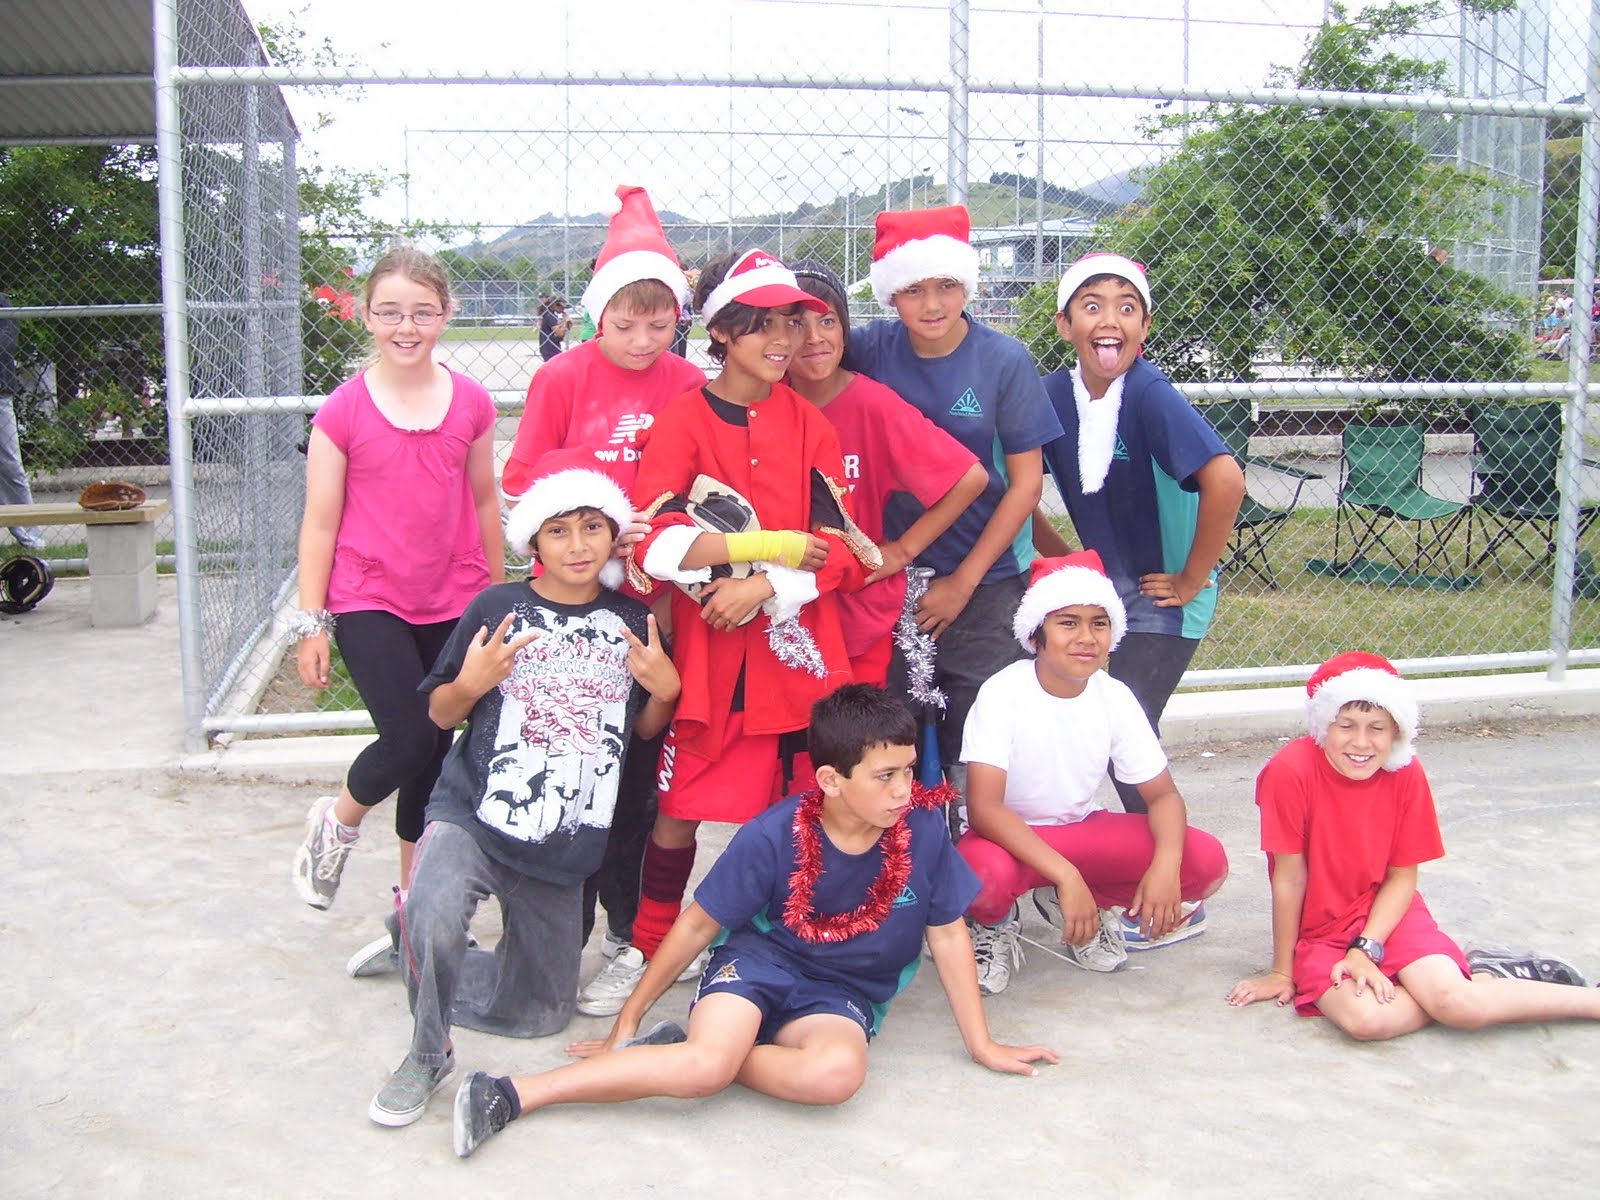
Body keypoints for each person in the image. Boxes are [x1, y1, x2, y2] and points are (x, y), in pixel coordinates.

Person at [449, 684, 1059, 1159]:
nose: (906, 790)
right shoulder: (775, 834)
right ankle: (510, 1093)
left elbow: (948, 932)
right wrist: (630, 1015)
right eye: (886, 776)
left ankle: (697, 1050)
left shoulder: (923, 830)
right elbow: (695, 926)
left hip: (844, 992)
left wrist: (981, 1043)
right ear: (830, 781)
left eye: (907, 771)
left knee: (836, 1076)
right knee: (703, 1071)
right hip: (761, 965)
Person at [577, 248, 879, 1017]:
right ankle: (648, 945)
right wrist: (762, 550)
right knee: (678, 811)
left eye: (794, 321)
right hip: (712, 659)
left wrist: (764, 586)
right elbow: (656, 545)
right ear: (725, 332)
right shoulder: (683, 421)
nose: (785, 339)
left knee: (810, 808)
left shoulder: (808, 423)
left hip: (799, 656)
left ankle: (792, 944)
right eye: (765, 325)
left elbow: (844, 546)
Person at [366, 461, 682, 1127]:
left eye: (592, 527)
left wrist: (667, 691)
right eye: (558, 531)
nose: (576, 545)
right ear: (532, 545)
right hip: (477, 810)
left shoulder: (633, 618)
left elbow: (642, 734)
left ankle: (414, 949)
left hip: (567, 838)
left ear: (613, 536)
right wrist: (473, 681)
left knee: (540, 1015)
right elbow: (440, 715)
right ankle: (426, 1050)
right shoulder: (496, 608)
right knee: (436, 904)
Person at [498, 184, 707, 998]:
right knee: (565, 750)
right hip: (575, 591)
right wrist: (598, 512)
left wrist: (656, 527)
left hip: (652, 597)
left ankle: (630, 928)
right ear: (594, 316)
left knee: (640, 759)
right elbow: (522, 476)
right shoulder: (563, 379)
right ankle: (551, 919)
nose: (643, 339)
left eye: (660, 325)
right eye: (625, 324)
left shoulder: (688, 382)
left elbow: (702, 484)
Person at [1226, 652, 1600, 1039]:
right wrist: (1282, 971)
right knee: (1368, 1021)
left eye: (1377, 728)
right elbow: (1289, 878)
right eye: (1346, 726)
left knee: (1459, 1006)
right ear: (1323, 726)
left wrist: (1366, 948)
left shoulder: (1405, 772)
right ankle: (1484, 981)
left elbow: (1402, 878)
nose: (1360, 742)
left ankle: (1586, 1001)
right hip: (1319, 931)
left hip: (1386, 912)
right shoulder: (1290, 771)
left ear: (1397, 733)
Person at [290, 245, 504, 921]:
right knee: (409, 738)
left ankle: (413, 902)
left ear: (447, 314)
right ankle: (339, 822)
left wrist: (497, 600)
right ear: (365, 316)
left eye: (421, 312)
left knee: (437, 753)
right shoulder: (344, 412)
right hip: (369, 595)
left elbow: (484, 502)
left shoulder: (469, 402)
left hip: (454, 594)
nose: (405, 327)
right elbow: (320, 523)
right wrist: (312, 622)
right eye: (389, 313)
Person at [845, 206, 1063, 794]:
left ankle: (988, 870)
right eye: (914, 289)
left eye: (946, 285)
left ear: (967, 285)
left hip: (984, 578)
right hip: (887, 574)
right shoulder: (869, 350)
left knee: (983, 739)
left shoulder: (1003, 360)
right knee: (888, 736)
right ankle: (899, 869)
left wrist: (964, 583)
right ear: (891, 295)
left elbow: (1025, 485)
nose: (933, 303)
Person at [957, 550, 1229, 994]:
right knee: (982, 880)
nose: (1086, 637)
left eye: (1098, 624)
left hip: (1078, 830)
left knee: (1203, 862)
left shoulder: (1113, 695)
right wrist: (1068, 874)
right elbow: (984, 809)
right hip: (1007, 839)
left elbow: (1163, 797)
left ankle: (1078, 902)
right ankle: (994, 922)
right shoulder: (1003, 691)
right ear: (1036, 633)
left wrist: (1165, 866)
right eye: (1068, 623)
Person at [1034, 254, 1244, 815]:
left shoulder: (1148, 392)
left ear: (1144, 328)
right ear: (1065, 324)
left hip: (1162, 595)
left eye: (1128, 308)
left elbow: (1226, 481)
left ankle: (1170, 879)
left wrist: (1192, 578)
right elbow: (1016, 490)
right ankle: (1116, 855)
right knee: (1079, 721)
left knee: (1128, 733)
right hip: (1103, 588)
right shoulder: (1054, 395)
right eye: (1092, 306)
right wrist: (1070, 562)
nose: (1110, 320)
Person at [786, 260, 987, 685]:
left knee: (856, 740)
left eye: (827, 321)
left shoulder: (871, 404)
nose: (815, 338)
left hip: (856, 607)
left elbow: (970, 478)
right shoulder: (767, 403)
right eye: (796, 325)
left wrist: (902, 550)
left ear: (844, 328)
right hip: (781, 606)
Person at [0, 291, 44, 550]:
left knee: (10, 464)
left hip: (0, 395)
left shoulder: (2, 302)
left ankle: (31, 536)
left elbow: (5, 343)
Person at [538, 296, 573, 361]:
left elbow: (560, 335)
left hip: (553, 347)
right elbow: (559, 333)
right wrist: (565, 322)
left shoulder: (552, 315)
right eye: (561, 307)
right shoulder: (550, 316)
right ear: (554, 305)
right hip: (549, 349)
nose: (563, 309)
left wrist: (567, 325)